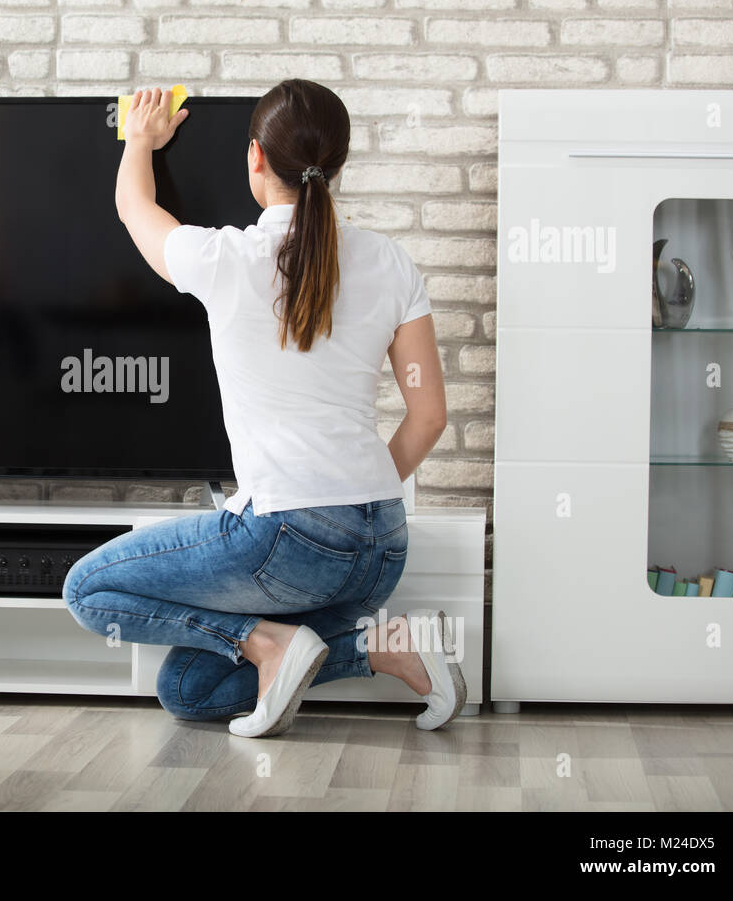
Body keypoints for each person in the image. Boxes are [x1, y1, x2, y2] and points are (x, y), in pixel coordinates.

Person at [62, 79, 463, 738]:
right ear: (337, 164)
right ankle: (376, 645)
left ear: (255, 159)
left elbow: (135, 208)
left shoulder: (228, 258)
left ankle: (270, 645)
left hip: (283, 541)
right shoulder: (391, 261)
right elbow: (429, 418)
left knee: (87, 588)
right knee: (189, 691)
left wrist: (140, 139)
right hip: (382, 546)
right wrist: (355, 502)